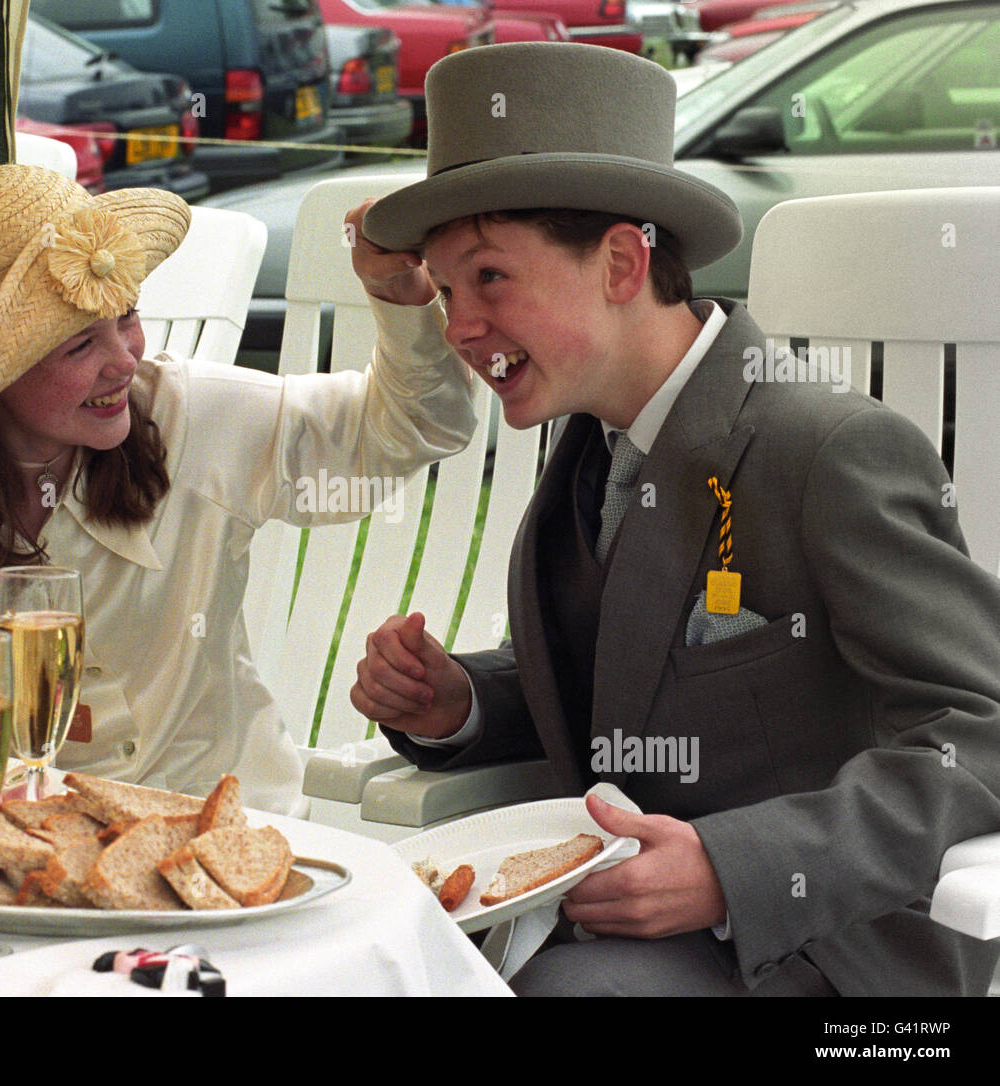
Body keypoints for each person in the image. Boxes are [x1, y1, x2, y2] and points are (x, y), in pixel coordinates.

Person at [350, 42, 1000, 995]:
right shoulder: (593, 450)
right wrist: (465, 704)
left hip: (832, 951)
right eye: (447, 292)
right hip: (614, 923)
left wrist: (731, 868)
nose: (458, 326)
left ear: (621, 261)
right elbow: (630, 686)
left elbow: (980, 728)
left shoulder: (826, 452)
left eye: (489, 277)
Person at [0, 163, 475, 816]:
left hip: (233, 851)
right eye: (80, 344)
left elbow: (417, 427)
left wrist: (400, 294)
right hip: (6, 877)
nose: (126, 358)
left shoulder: (196, 419)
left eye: (127, 315)